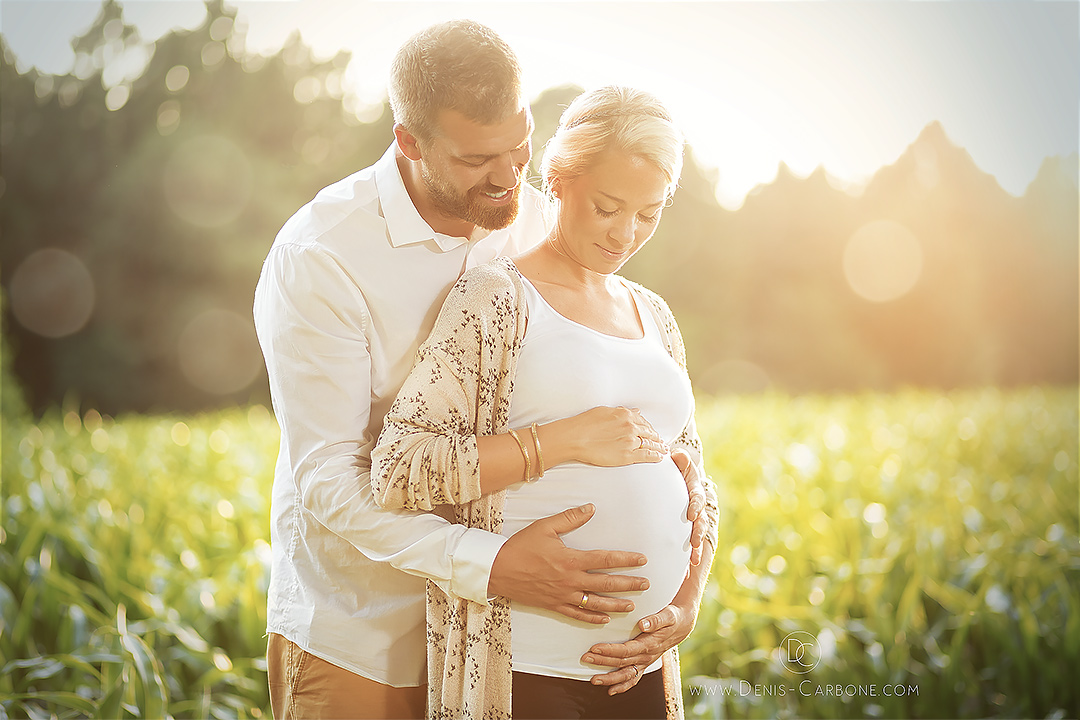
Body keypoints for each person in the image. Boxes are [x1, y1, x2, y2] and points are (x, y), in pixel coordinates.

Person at [253, 21, 717, 720]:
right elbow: (328, 478)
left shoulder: (537, 216)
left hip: (526, 637)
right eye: (477, 159)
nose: (508, 178)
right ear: (409, 142)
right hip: (365, 631)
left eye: (519, 147)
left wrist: (684, 593)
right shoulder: (322, 256)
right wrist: (493, 565)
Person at [371, 86, 717, 720]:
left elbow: (697, 485)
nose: (626, 234)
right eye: (609, 207)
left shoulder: (656, 316)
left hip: (641, 666)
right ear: (559, 178)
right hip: (527, 666)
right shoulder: (496, 299)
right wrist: (565, 439)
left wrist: (687, 602)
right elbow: (402, 467)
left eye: (649, 212)